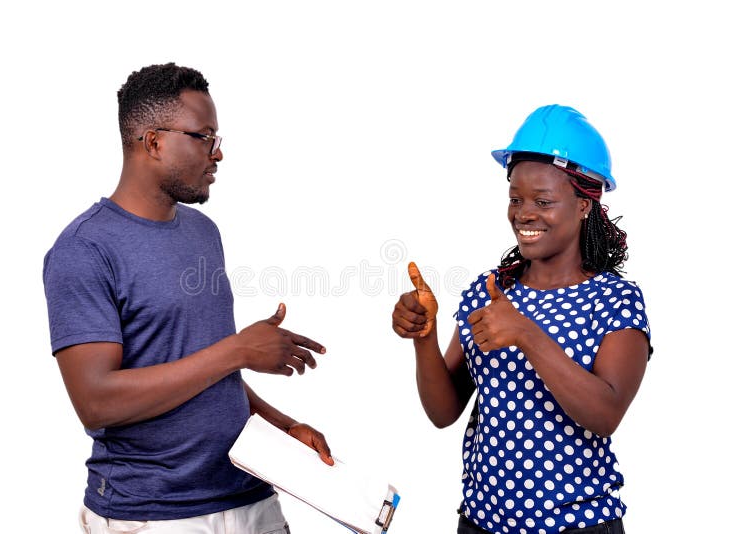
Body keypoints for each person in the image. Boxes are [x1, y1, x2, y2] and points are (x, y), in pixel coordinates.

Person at [43, 63, 333, 534]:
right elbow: (96, 401)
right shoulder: (84, 249)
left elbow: (203, 371)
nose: (218, 153)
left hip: (251, 495)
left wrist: (282, 426)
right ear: (154, 142)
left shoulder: (202, 232)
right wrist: (238, 350)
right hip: (156, 515)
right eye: (205, 137)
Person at [391, 105, 651, 534]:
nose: (523, 213)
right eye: (516, 199)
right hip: (480, 523)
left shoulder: (614, 300)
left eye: (543, 201)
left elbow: (606, 415)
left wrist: (527, 335)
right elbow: (444, 412)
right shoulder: (491, 291)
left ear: (585, 205)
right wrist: (425, 336)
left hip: (576, 525)